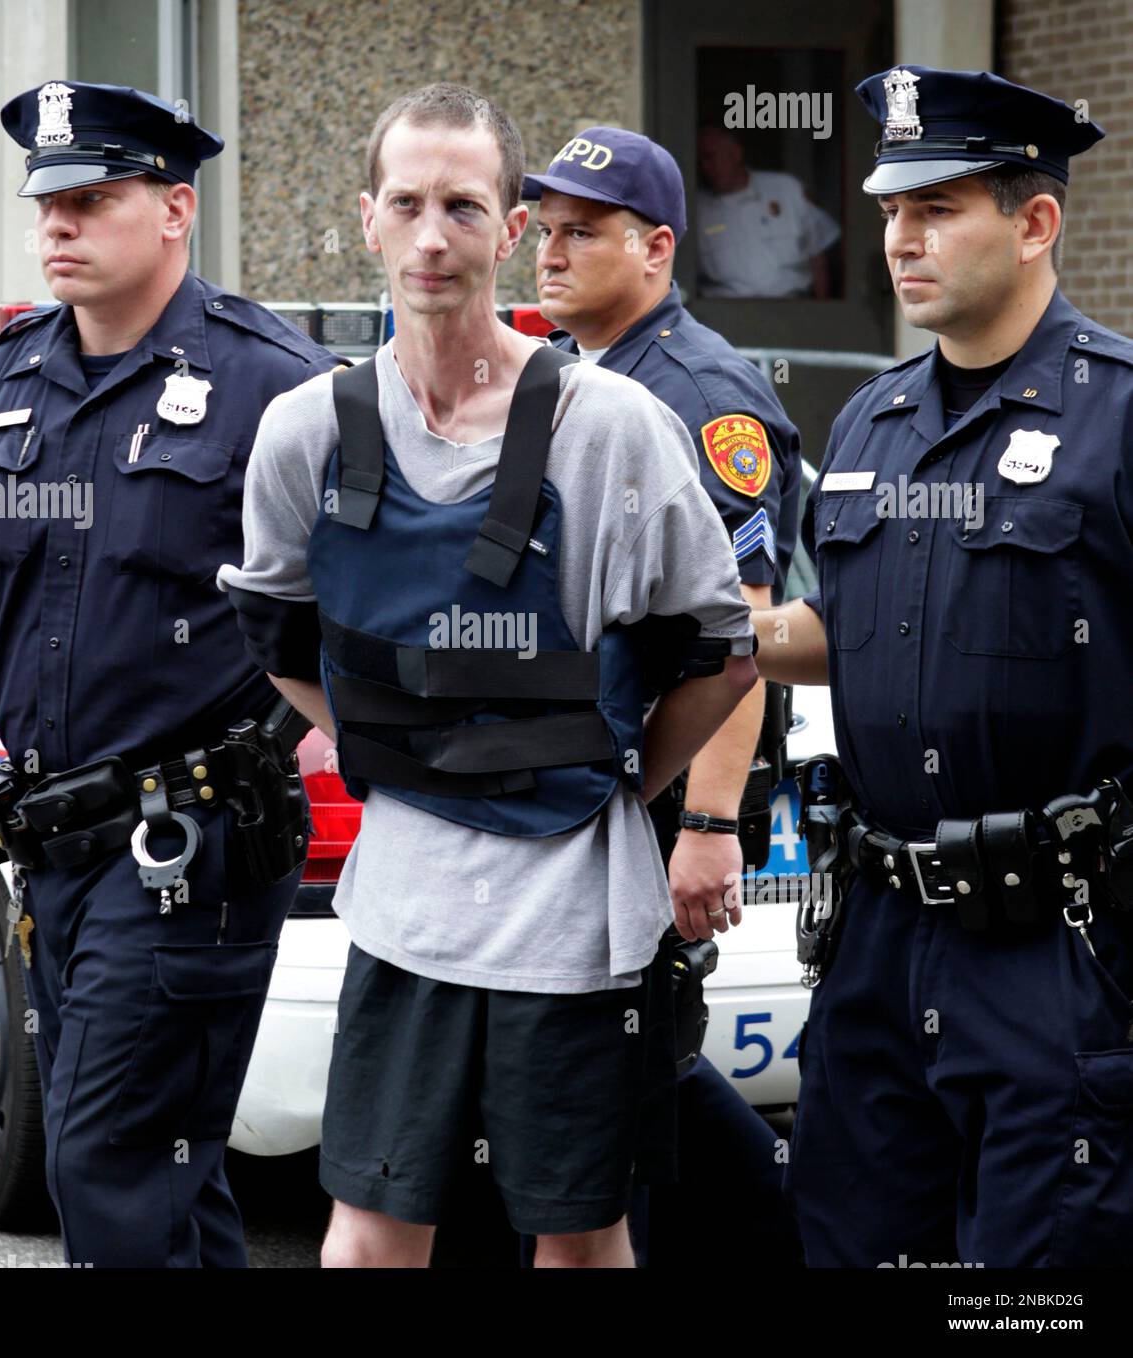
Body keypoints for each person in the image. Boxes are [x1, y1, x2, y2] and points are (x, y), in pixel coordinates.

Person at [219, 82, 758, 1268]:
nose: (431, 235)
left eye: (463, 205)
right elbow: (274, 628)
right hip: (404, 915)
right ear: (366, 219)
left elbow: (721, 646)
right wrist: (397, 750)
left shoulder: (613, 428)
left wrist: (618, 774)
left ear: (510, 230)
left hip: (576, 929)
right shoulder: (306, 429)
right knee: (366, 1236)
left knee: (576, 1238)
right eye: (405, 202)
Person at [0, 81, 338, 1266]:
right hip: (47, 854)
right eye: (48, 199)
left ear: (175, 208)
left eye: (92, 197)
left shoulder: (280, 387)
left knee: (106, 1162)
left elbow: (367, 607)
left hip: (190, 846)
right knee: (158, 1167)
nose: (58, 221)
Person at [752, 65, 1132, 1267]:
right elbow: (846, 629)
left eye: (937, 209)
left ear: (1034, 223)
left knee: (1035, 1274)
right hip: (876, 937)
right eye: (888, 211)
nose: (900, 240)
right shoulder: (870, 419)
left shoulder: (1116, 416)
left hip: (1057, 942)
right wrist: (706, 633)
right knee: (851, 1242)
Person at [525, 125, 804, 1265]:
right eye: (540, 231)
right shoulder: (570, 376)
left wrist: (705, 825)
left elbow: (734, 632)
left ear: (655, 247)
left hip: (655, 802)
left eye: (579, 233)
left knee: (622, 1079)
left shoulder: (699, 391)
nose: (547, 252)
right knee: (624, 1079)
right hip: (582, 794)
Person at [695, 125, 839, 299]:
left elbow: (818, 254)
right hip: (723, 312)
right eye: (699, 160)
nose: (704, 166)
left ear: (735, 153)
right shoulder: (695, 208)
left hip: (792, 310)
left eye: (710, 156)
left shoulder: (785, 189)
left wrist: (821, 315)